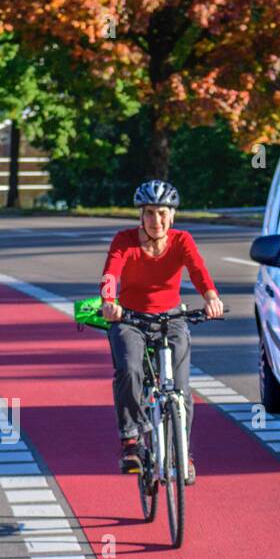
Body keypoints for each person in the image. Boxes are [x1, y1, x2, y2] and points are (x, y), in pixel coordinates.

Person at [100, 180, 224, 476]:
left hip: (171, 319)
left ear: (173, 215)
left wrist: (211, 298)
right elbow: (110, 273)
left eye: (163, 213)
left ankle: (182, 453)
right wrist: (108, 301)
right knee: (130, 369)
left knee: (180, 390)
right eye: (150, 213)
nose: (157, 220)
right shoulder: (124, 240)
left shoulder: (182, 240)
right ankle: (131, 440)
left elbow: (198, 271)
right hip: (130, 319)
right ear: (140, 215)